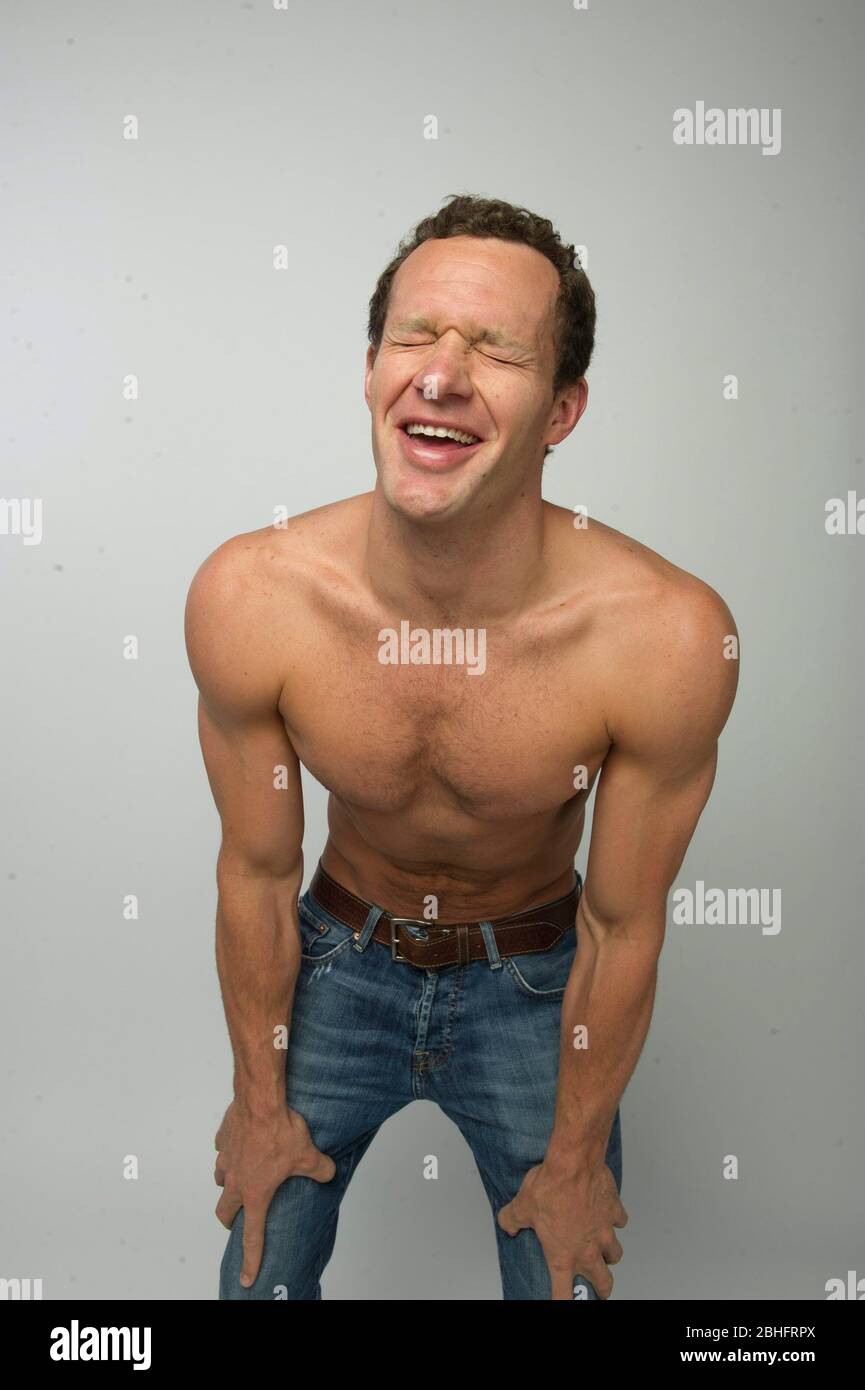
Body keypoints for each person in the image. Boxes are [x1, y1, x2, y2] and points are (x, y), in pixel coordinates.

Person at [184, 194, 739, 1301]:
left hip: (535, 989)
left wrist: (575, 1157)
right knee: (255, 1278)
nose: (439, 375)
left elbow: (622, 925)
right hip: (336, 967)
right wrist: (259, 1102)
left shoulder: (665, 637)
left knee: (567, 1284)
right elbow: (255, 869)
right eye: (414, 336)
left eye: (495, 350)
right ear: (370, 368)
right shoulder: (253, 595)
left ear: (563, 407)